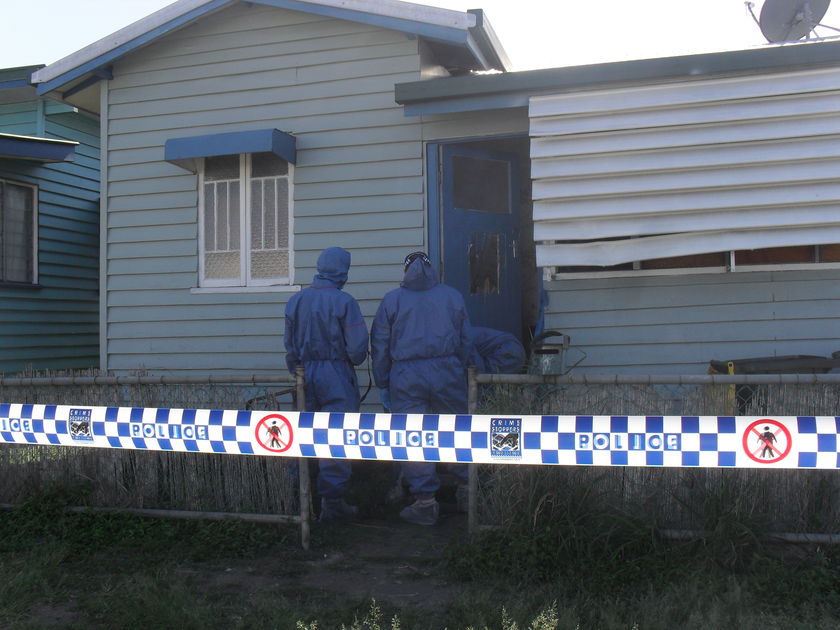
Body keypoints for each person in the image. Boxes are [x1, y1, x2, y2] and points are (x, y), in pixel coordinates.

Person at [371, 251, 472, 526]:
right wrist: (456, 367)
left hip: (406, 375)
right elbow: (465, 339)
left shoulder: (392, 300)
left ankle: (425, 503)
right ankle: (467, 492)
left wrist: (383, 382)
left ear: (405, 271)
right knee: (455, 431)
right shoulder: (452, 296)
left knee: (413, 436)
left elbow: (380, 345)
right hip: (447, 371)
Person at [284, 247, 369, 522]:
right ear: (343, 271)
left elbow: (289, 347)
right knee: (335, 437)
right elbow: (357, 349)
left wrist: (299, 370)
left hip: (303, 373)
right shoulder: (345, 302)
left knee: (300, 435)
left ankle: (295, 498)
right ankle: (332, 504)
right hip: (336, 375)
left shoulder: (296, 301)